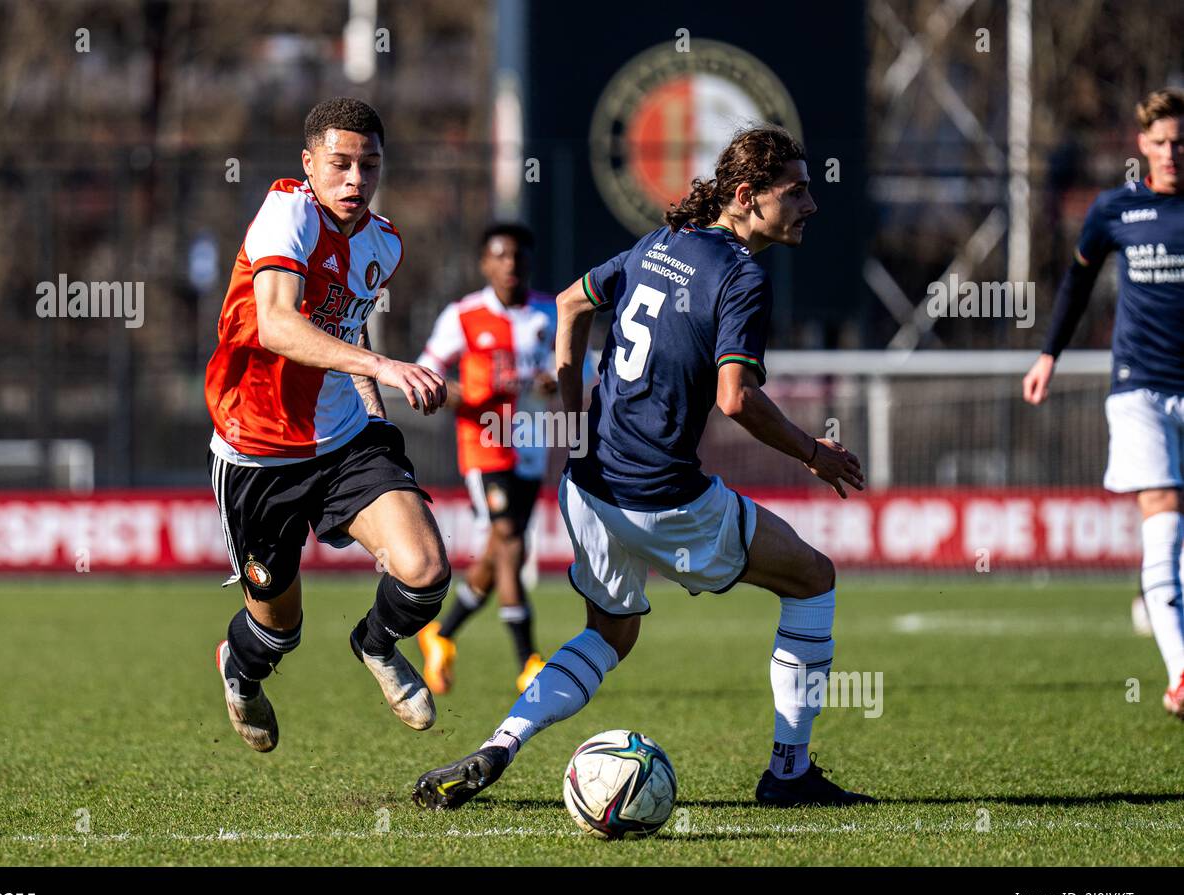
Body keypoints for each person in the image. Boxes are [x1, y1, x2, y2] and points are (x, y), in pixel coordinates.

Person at [413, 124, 873, 810]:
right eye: (797, 191)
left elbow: (569, 306)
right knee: (812, 579)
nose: (811, 204)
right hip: (662, 498)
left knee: (609, 634)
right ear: (746, 196)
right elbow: (735, 399)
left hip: (589, 486)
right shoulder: (742, 277)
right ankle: (789, 772)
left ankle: (502, 743)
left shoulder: (657, 243)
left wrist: (574, 422)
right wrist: (814, 452)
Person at [204, 97, 451, 752]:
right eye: (339, 164)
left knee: (424, 570)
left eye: (368, 166)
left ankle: (375, 643)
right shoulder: (288, 213)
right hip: (257, 452)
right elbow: (282, 326)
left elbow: (346, 322)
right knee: (278, 630)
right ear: (309, 164)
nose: (355, 181)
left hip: (344, 438)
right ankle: (242, 672)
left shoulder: (384, 241)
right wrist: (387, 366)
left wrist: (373, 406)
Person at [1024, 88, 1184, 717]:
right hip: (1138, 387)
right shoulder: (1115, 210)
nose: (1173, 153)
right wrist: (1048, 355)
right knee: (1163, 507)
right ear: (1142, 145)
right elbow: (1078, 281)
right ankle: (1180, 673)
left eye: (1182, 142)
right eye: (1163, 142)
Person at [414, 223, 557, 695]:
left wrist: (557, 379)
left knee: (502, 552)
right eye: (500, 256)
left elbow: (580, 365)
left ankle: (442, 634)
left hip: (532, 443)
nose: (510, 265)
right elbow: (428, 373)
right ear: (485, 264)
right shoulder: (464, 315)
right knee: (511, 540)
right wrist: (466, 393)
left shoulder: (548, 313)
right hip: (484, 445)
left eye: (517, 256)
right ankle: (528, 661)